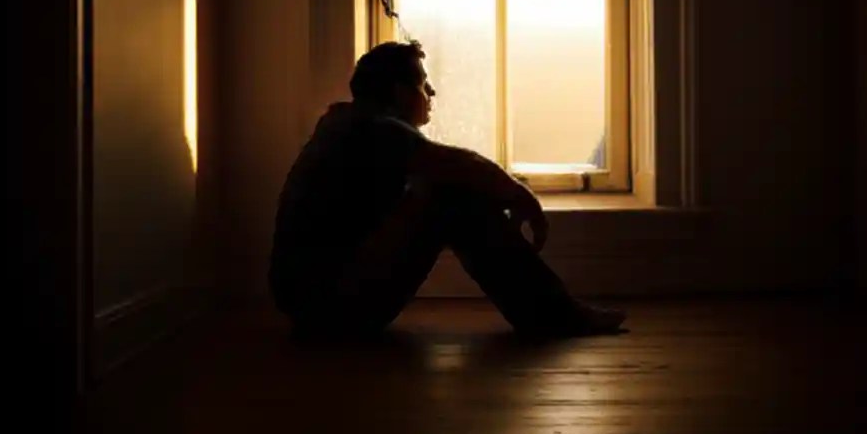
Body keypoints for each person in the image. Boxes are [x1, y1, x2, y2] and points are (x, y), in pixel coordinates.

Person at [268, 40, 626, 338]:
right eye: (424, 84)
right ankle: (552, 314)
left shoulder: (347, 124)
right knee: (450, 194)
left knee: (447, 188)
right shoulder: (374, 127)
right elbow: (457, 164)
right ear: (400, 92)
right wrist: (522, 197)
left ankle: (549, 312)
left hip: (311, 305)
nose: (431, 92)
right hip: (331, 306)